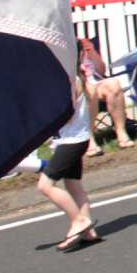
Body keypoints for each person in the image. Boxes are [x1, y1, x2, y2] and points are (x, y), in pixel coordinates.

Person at [35, 100, 102, 251]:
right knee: (73, 185)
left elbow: (67, 112)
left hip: (72, 142)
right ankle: (88, 232)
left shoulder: (70, 79)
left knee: (45, 186)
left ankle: (78, 221)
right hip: (71, 139)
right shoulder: (67, 79)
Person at [77, 35, 133, 152]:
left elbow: (101, 70)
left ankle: (121, 131)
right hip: (78, 86)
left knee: (113, 83)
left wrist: (91, 50)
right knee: (90, 90)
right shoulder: (63, 46)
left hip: (94, 83)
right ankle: (89, 138)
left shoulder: (84, 44)